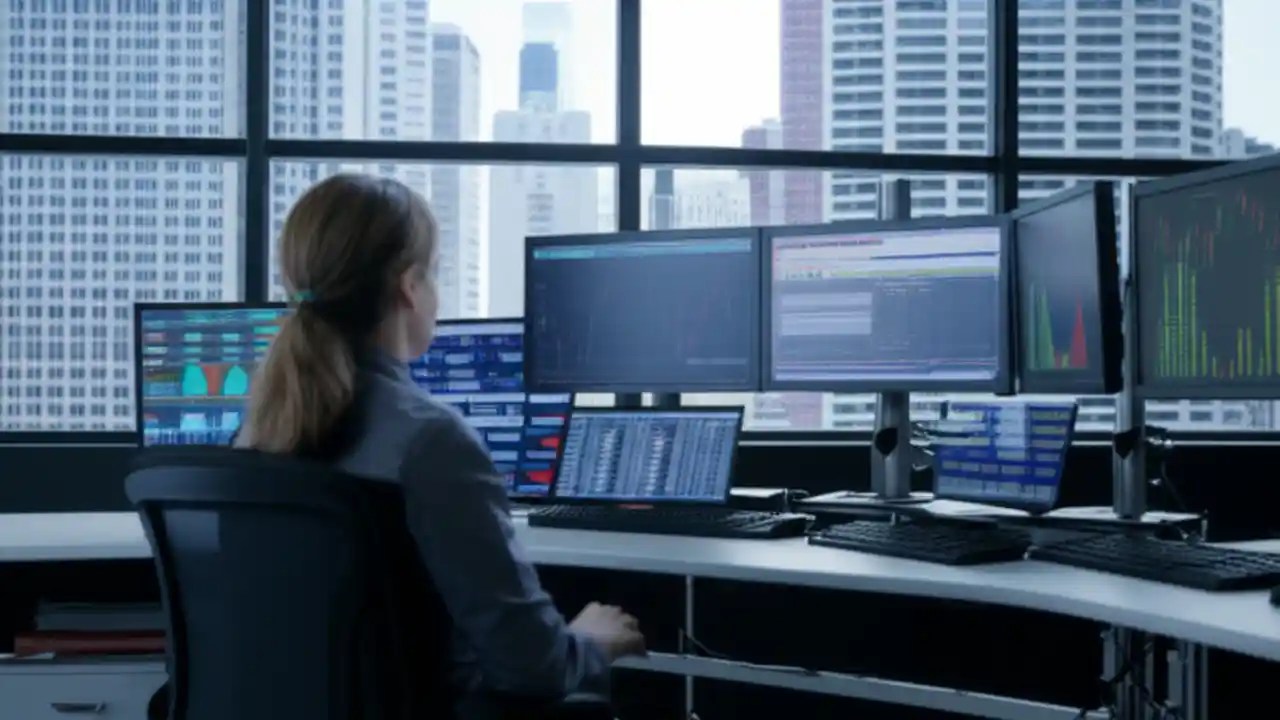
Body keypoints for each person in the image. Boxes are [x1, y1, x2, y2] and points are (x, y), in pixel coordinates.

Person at [235, 174, 645, 708]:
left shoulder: (257, 432)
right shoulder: (431, 441)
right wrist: (590, 641)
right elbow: (531, 666)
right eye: (435, 275)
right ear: (409, 286)